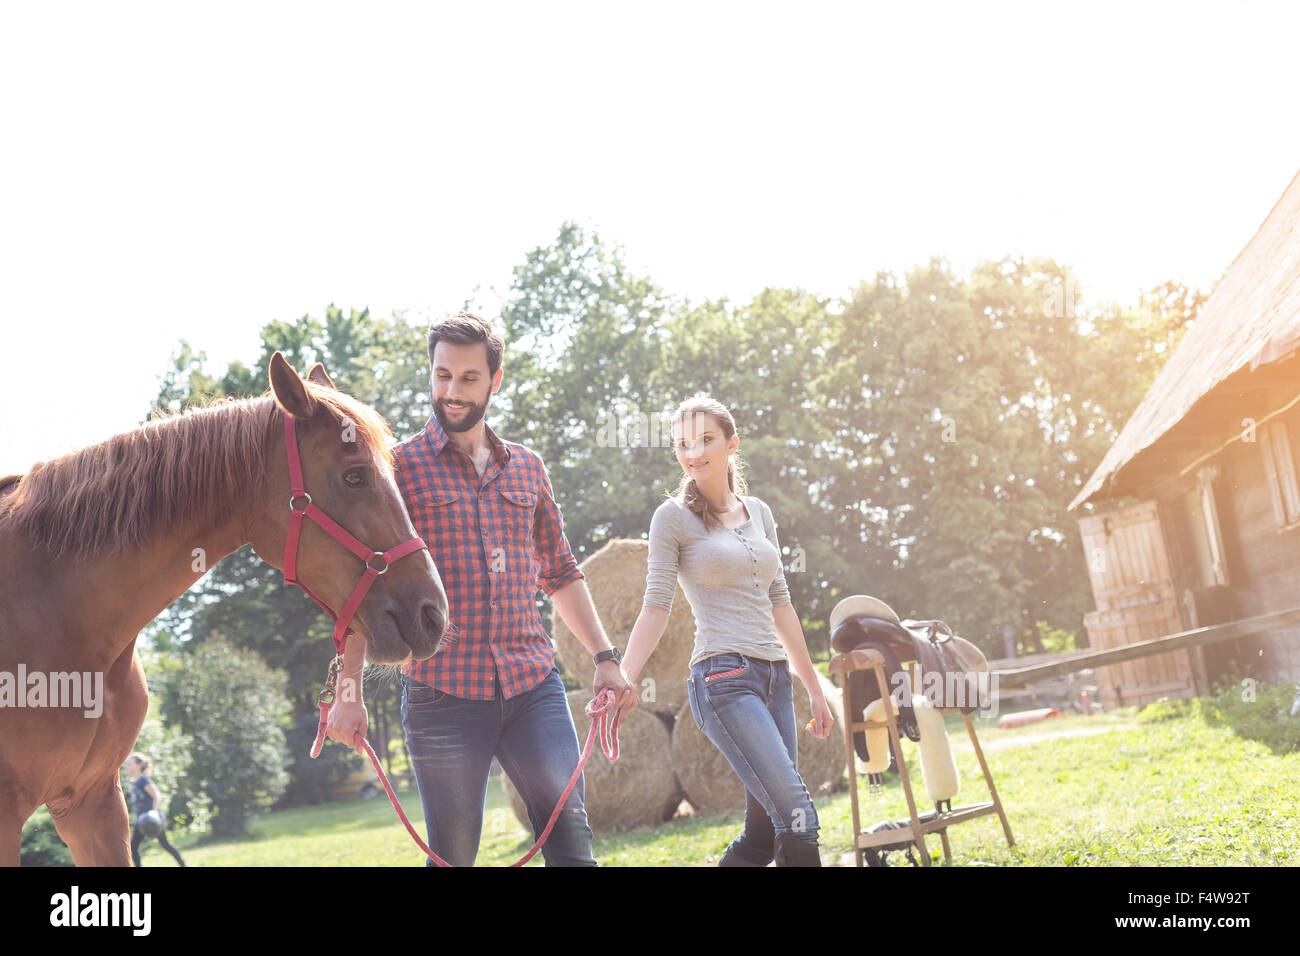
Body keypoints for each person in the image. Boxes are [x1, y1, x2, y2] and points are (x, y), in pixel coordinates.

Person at [326, 312, 634, 867]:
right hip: (443, 695)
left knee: (571, 840)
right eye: (442, 375)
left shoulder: (528, 469)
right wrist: (348, 690)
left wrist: (605, 658)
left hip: (532, 685)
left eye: (468, 378)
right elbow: (361, 585)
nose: (452, 391)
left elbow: (560, 572)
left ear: (495, 380)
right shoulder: (396, 470)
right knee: (453, 857)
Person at [621, 396, 833, 867]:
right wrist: (624, 676)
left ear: (732, 444)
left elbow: (782, 605)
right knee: (798, 814)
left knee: (762, 835)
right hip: (723, 680)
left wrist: (815, 690)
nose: (692, 452)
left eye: (705, 440)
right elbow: (656, 606)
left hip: (776, 679)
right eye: (682, 444)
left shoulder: (759, 512)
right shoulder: (672, 517)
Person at [123, 753, 186, 867]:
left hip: (152, 819)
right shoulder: (135, 783)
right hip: (141, 820)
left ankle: (183, 865)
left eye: (129, 764)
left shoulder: (143, 780)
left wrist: (155, 812)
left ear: (139, 765)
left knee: (165, 844)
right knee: (133, 847)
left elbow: (157, 795)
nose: (126, 766)